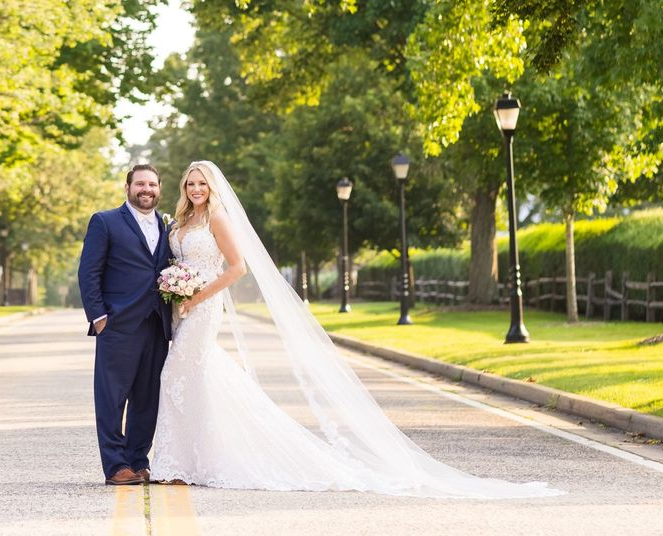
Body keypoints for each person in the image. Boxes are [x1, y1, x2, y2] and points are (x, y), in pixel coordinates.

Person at [148, 160, 561, 498]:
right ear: (184, 187)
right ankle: (185, 460)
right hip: (182, 308)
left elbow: (236, 267)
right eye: (191, 182)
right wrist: (176, 287)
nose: (196, 188)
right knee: (191, 378)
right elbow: (180, 263)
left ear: (212, 186)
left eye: (202, 182)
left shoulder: (217, 218)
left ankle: (191, 462)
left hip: (202, 308)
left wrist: (196, 297)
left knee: (183, 375)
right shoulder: (183, 220)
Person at [77, 163, 174, 486]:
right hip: (117, 324)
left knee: (148, 398)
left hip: (156, 324)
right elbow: (88, 272)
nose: (146, 190)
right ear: (127, 187)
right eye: (140, 184)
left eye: (152, 185)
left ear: (160, 188)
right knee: (112, 398)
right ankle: (116, 466)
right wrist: (99, 317)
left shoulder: (166, 226)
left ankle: (138, 460)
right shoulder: (105, 222)